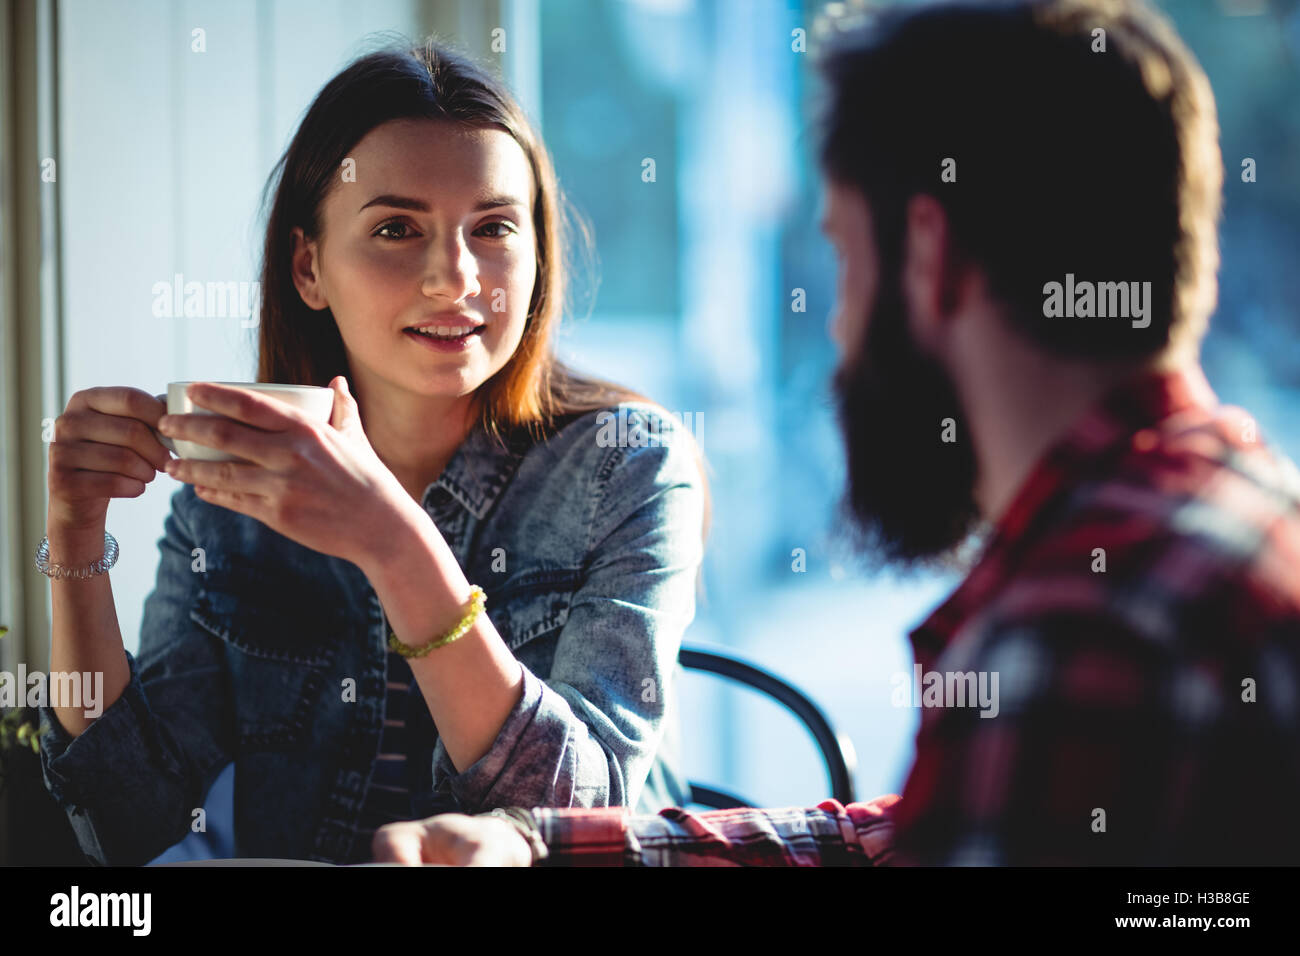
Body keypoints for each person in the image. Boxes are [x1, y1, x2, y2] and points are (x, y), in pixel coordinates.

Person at [372, 0, 1300, 866]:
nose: (839, 329)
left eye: (847, 258)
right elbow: (905, 837)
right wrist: (544, 846)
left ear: (930, 255)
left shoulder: (1074, 636)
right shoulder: (1222, 514)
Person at [36, 38, 707, 866]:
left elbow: (578, 826)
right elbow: (127, 821)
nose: (453, 277)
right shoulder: (230, 504)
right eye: (396, 228)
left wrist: (394, 543)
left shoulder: (626, 468)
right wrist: (73, 541)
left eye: (494, 226)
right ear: (308, 268)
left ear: (537, 255)